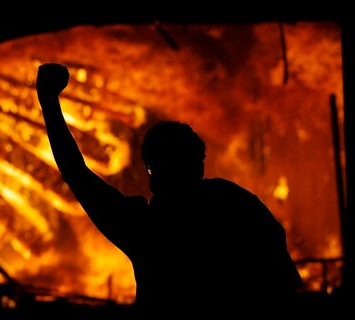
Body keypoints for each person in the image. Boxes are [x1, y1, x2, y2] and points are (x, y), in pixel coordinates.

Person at [35, 63, 303, 317]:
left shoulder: (147, 229)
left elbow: (76, 174)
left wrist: (49, 102)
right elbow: (286, 286)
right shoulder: (238, 205)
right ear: (199, 167)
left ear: (152, 172)